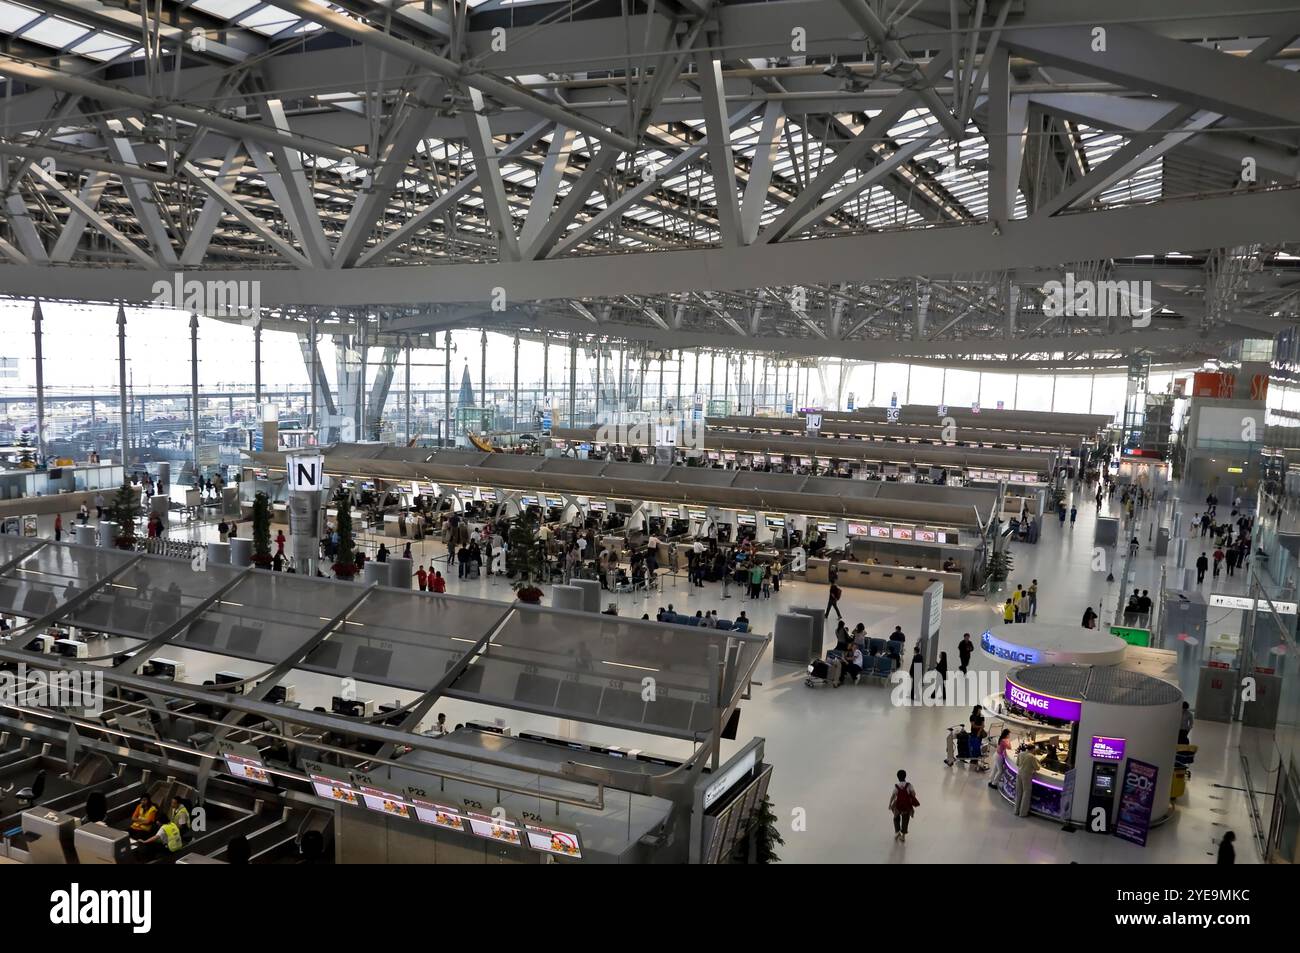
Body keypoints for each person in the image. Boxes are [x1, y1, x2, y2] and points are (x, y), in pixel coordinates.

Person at [888, 769, 918, 842]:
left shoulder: (896, 786)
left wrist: (890, 804)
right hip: (906, 805)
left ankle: (897, 831)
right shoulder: (909, 785)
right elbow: (914, 793)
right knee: (905, 820)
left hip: (898, 805)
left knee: (896, 818)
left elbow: (893, 795)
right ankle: (903, 836)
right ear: (905, 776)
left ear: (898, 777)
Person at [1014, 746, 1041, 817]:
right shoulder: (1032, 757)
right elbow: (1037, 768)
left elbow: (1017, 764)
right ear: (1032, 749)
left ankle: (1016, 810)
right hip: (1027, 776)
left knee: (1019, 792)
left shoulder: (1020, 754)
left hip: (1019, 774)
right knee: (1026, 793)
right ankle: (1022, 813)